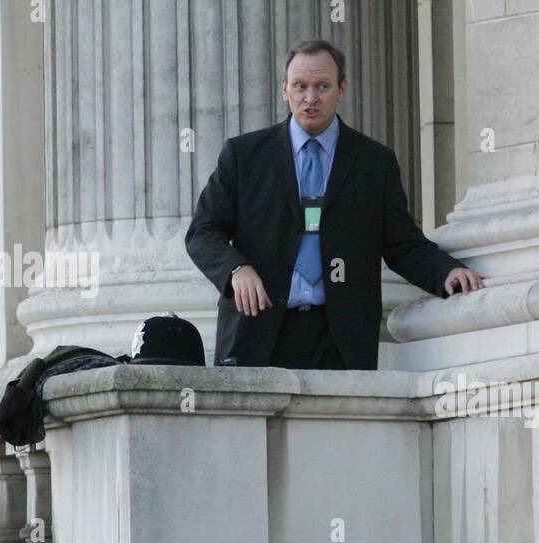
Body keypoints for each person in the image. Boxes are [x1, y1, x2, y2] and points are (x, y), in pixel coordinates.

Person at [185, 39, 485, 369]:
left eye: (322, 86)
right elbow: (203, 232)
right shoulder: (244, 156)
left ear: (341, 90)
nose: (310, 98)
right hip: (257, 333)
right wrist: (235, 269)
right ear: (285, 90)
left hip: (340, 340)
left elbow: (401, 244)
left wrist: (446, 271)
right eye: (300, 86)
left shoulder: (373, 162)